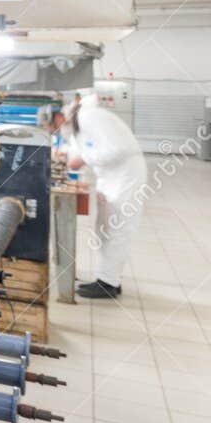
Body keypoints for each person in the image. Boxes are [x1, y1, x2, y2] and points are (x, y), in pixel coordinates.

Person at [48, 98, 146, 299]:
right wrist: (61, 155)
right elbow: (76, 151)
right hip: (109, 178)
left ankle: (108, 284)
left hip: (126, 176)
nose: (56, 132)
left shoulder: (89, 118)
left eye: (53, 127)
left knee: (118, 228)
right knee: (104, 229)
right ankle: (108, 278)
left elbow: (118, 149)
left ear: (58, 117)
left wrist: (84, 159)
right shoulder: (75, 126)